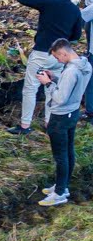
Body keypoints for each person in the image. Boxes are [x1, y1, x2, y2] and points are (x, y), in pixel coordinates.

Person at [2, 0, 83, 135]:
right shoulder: (75, 10)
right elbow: (76, 36)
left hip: (41, 53)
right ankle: (49, 123)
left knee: (31, 88)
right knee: (52, 88)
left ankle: (25, 126)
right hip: (60, 57)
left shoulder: (49, 3)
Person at [37, 38, 91, 206]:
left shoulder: (70, 72)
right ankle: (63, 186)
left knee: (60, 156)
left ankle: (59, 193)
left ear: (64, 53)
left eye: (57, 57)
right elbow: (72, 85)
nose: (58, 60)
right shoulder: (85, 65)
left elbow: (60, 98)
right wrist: (55, 77)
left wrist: (47, 84)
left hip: (60, 116)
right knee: (68, 151)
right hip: (73, 113)